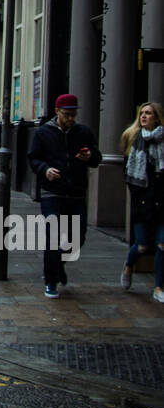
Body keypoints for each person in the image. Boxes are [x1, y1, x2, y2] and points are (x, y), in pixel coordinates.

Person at [27, 93, 102, 299]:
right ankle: (50, 281)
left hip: (76, 193)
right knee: (52, 237)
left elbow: (97, 157)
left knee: (77, 239)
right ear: (57, 112)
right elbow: (34, 159)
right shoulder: (43, 133)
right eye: (66, 114)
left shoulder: (83, 132)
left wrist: (89, 157)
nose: (70, 119)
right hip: (52, 192)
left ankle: (58, 265)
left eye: (73, 115)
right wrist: (46, 170)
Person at [119, 100, 164, 304]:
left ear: (157, 117)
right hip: (142, 201)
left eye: (149, 113)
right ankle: (129, 265)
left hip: (162, 200)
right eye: (142, 113)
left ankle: (158, 287)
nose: (144, 116)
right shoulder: (133, 138)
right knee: (142, 245)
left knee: (163, 244)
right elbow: (128, 173)